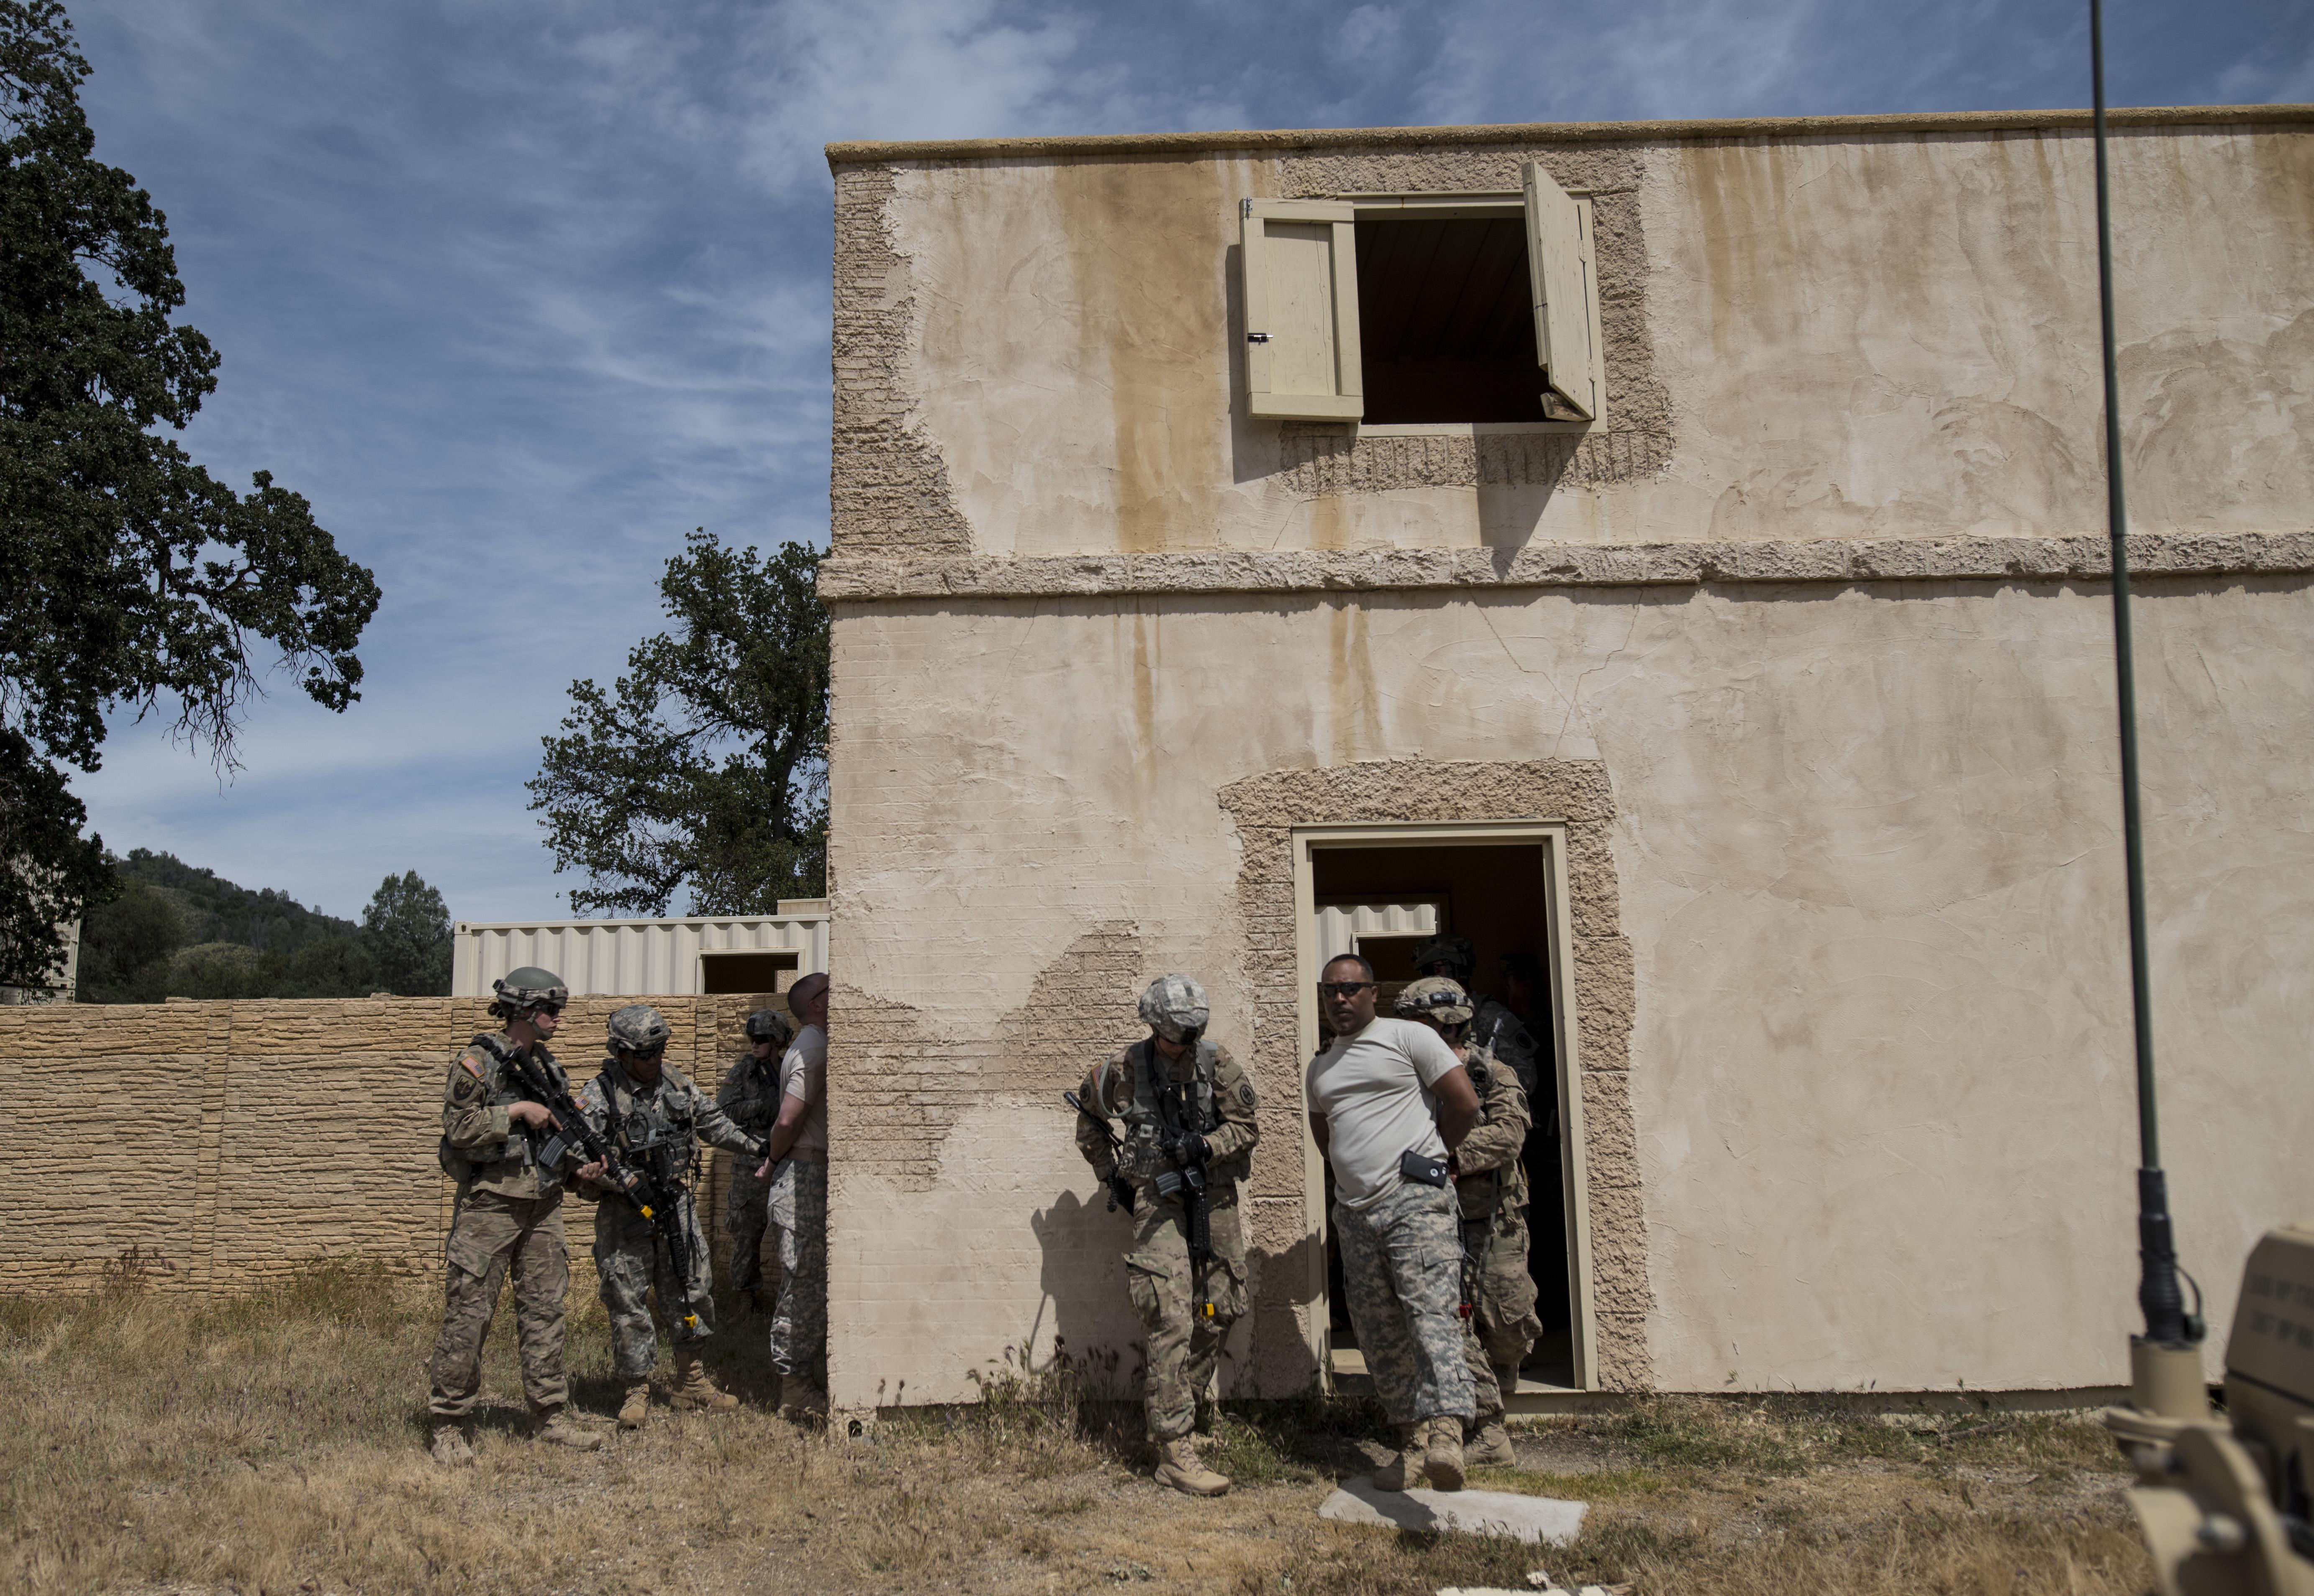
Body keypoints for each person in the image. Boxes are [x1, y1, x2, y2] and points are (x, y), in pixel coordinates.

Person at [1074, 974, 1260, 1497]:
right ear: (1155, 1025)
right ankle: (1174, 1446)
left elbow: (1246, 1126)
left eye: (1193, 1029)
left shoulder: (1215, 1062)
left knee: (1222, 1304)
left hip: (1214, 1195)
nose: (1187, 1038)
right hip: (1158, 1199)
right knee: (1170, 1311)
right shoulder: (1122, 1070)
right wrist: (1110, 1175)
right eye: (1178, 1030)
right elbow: (1088, 1120)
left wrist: (1205, 1144)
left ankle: (1188, 1402)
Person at [1307, 953, 1481, 1492]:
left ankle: (1446, 1435)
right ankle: (1409, 1442)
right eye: (1331, 989)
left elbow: (1464, 1103)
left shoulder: (1409, 1038)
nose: (1340, 998)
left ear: (1373, 992)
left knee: (1430, 1314)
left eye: (1350, 988)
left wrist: (1429, 1158)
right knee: (1378, 1330)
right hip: (1355, 1213)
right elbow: (1325, 1134)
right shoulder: (1320, 1066)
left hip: (1413, 1202)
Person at [425, 967, 603, 1464]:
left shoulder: (549, 1069)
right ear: (522, 1009)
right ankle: (448, 1422)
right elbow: (458, 1126)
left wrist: (583, 1169)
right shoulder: (478, 1061)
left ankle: (550, 1415)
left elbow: (558, 1140)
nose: (558, 1019)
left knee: (546, 1311)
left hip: (543, 1204)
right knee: (469, 1314)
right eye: (550, 1009)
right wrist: (517, 1110)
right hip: (491, 1205)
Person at [576, 1003, 769, 1430]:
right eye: (646, 1054)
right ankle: (636, 1388)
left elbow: (714, 1123)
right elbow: (580, 1150)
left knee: (690, 1287)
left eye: (659, 1051)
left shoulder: (675, 1082)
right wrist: (623, 1180)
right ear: (623, 1053)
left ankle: (690, 1378)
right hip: (626, 1212)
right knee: (627, 1297)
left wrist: (757, 1147)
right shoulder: (601, 1093)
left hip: (674, 1205)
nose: (654, 1061)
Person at [1394, 976, 1544, 1468]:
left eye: (1427, 1024)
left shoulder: (1490, 1073)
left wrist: (1449, 1156)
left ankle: (1495, 1417)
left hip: (1493, 1216)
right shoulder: (1405, 1078)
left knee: (1504, 1314)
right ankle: (1481, 1425)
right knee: (1451, 1319)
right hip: (1432, 1216)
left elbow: (1509, 1136)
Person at [755, 971, 830, 1418]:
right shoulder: (814, 1047)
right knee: (803, 1286)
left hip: (805, 1173)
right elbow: (787, 1120)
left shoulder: (810, 1044)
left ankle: (801, 1380)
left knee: (808, 1282)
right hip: (803, 1176)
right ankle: (795, 1388)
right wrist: (772, 1159)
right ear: (819, 1003)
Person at [717, 1007, 796, 1310]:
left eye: (761, 1038)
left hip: (787, 1163)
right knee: (746, 1235)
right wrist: (758, 1106)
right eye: (752, 1038)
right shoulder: (743, 1071)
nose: (754, 1044)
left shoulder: (790, 1068)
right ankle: (745, 1297)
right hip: (751, 1165)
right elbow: (723, 1112)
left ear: (777, 1040)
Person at [1409, 935, 1539, 1105]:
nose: (1425, 979)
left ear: (1454, 969)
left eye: (1431, 971)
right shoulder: (1430, 1019)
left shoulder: (1490, 1015)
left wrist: (1478, 1084)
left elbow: (1526, 1078)